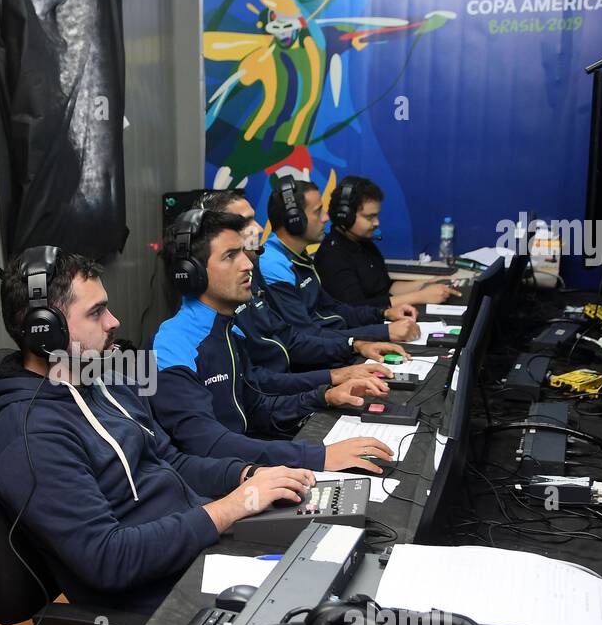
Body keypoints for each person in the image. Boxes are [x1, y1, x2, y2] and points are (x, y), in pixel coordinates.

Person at [0, 247, 349, 615]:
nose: (114, 322)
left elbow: (171, 460)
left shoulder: (104, 379)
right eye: (96, 313)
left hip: (199, 549)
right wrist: (231, 508)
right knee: (322, 616)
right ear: (43, 331)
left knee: (340, 558)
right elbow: (107, 558)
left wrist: (248, 475)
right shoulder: (31, 437)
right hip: (155, 599)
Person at [150, 208, 395, 471]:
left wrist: (324, 396)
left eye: (243, 252)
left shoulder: (228, 329)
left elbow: (256, 406)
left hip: (242, 463)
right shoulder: (168, 348)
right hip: (210, 486)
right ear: (191, 273)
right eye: (231, 256)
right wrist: (317, 457)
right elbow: (207, 444)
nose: (247, 264)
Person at [196, 189, 409, 375]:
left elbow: (300, 331)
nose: (259, 228)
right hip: (300, 377)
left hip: (303, 377)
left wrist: (369, 331)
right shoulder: (270, 265)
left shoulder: (261, 268)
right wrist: (375, 336)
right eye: (245, 222)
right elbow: (295, 343)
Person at [259, 178, 423, 342]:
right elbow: (305, 336)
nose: (325, 218)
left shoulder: (298, 256)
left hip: (334, 343)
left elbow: (334, 308)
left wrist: (383, 313)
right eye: (318, 211)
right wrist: (383, 332)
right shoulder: (273, 266)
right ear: (294, 220)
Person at [315, 176, 461, 309]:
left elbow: (386, 289)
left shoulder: (364, 244)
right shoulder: (331, 256)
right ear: (345, 217)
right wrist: (419, 297)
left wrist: (427, 284)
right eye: (369, 217)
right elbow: (355, 308)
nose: (377, 222)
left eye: (376, 216)